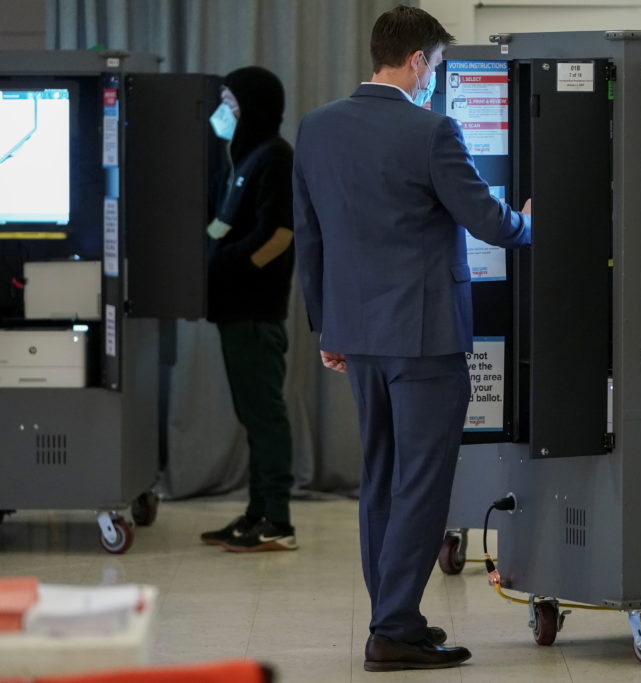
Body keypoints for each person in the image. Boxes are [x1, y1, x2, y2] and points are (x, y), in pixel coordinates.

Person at [292, 5, 531, 673]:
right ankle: (393, 627)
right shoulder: (431, 130)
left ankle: (393, 616)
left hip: (357, 334)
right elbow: (488, 220)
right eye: (438, 65)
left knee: (382, 478)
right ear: (420, 62)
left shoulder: (316, 129)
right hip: (424, 339)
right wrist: (530, 221)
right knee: (421, 484)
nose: (436, 78)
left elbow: (309, 237)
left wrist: (328, 326)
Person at [198, 66, 298, 553]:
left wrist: (233, 269)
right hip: (234, 309)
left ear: (253, 106)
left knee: (264, 415)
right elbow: (222, 228)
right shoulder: (242, 159)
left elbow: (279, 234)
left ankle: (278, 518)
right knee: (251, 414)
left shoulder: (275, 157)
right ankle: (257, 512)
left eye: (230, 102)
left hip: (257, 312)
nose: (224, 111)